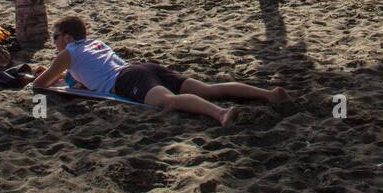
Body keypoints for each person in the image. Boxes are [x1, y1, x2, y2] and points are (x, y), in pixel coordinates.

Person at [34, 15, 289, 126]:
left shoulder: (68, 53)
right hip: (142, 67)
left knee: (167, 102)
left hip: (125, 79)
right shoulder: (96, 44)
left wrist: (46, 73)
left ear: (67, 38)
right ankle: (268, 94)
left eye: (55, 37)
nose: (53, 41)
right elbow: (86, 74)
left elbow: (41, 84)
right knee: (208, 88)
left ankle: (221, 114)